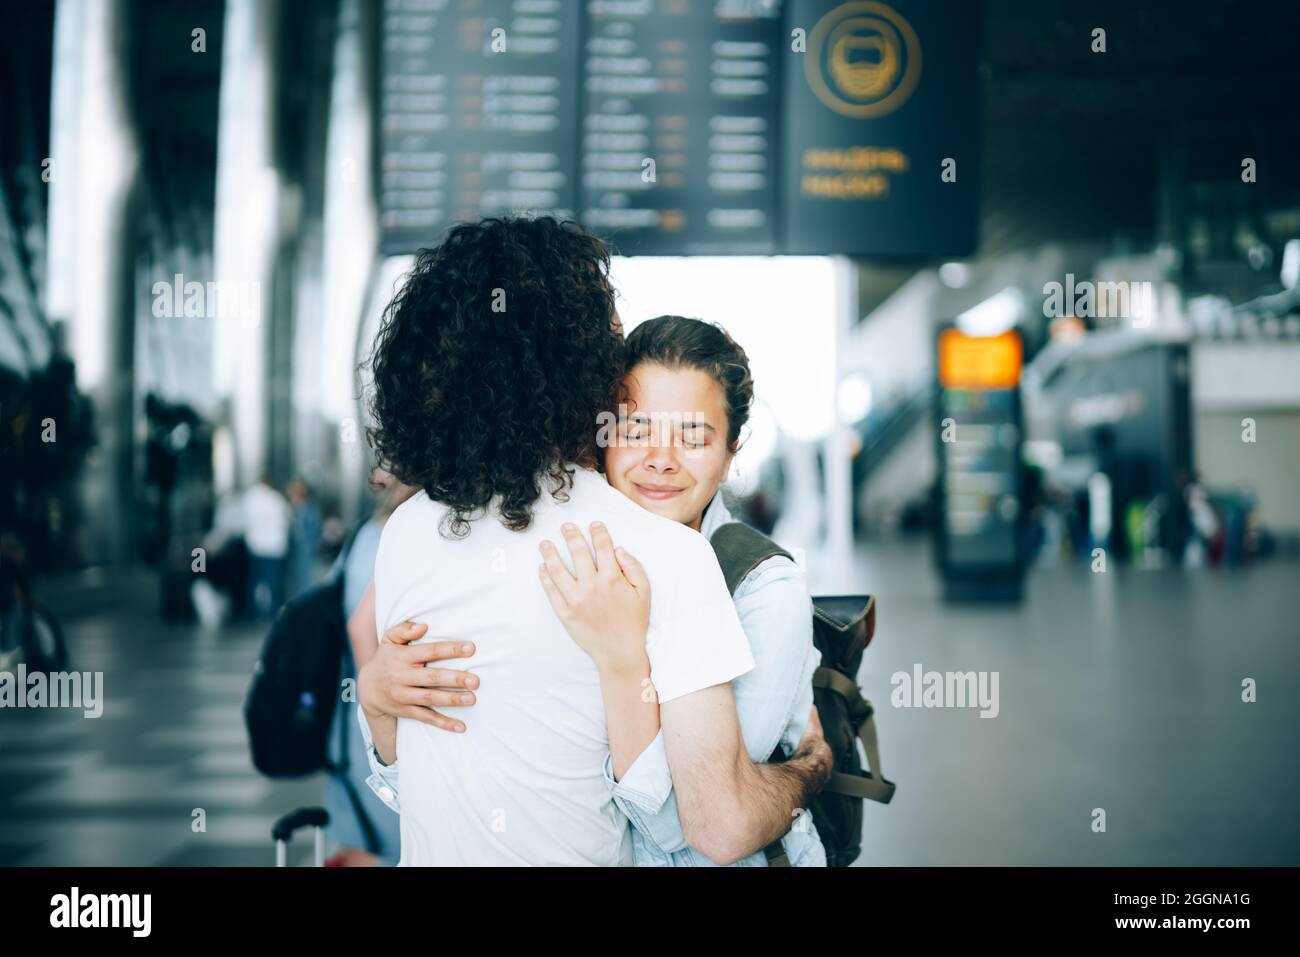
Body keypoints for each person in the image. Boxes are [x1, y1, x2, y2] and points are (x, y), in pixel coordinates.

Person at [356, 216, 831, 866]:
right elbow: (711, 827)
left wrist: (375, 707)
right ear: (589, 373)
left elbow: (421, 786)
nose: (661, 458)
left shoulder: (406, 536)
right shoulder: (665, 556)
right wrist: (811, 770)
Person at [321, 469, 416, 866]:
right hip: (373, 731)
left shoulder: (364, 533)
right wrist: (380, 718)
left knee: (358, 844)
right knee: (384, 846)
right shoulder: (402, 535)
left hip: (345, 728)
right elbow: (361, 629)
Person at [241, 476, 291, 619]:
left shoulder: (250, 498)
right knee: (273, 580)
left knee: (256, 579)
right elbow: (285, 521)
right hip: (274, 547)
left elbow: (246, 521)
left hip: (255, 546)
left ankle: (253, 610)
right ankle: (271, 611)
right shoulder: (276, 499)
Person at [286, 479, 323, 600]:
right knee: (296, 578)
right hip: (296, 551)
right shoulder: (295, 509)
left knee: (304, 578)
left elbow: (313, 532)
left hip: (305, 550)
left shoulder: (309, 510)